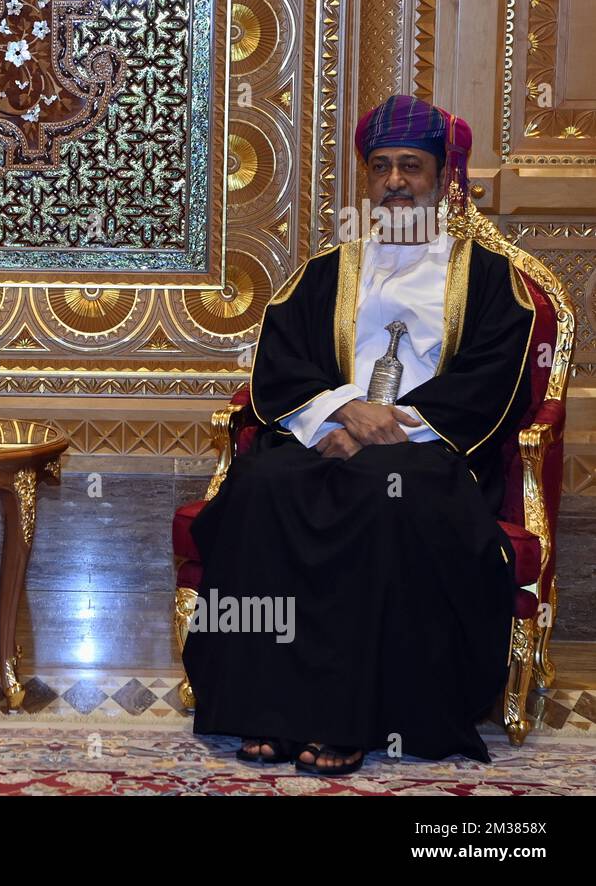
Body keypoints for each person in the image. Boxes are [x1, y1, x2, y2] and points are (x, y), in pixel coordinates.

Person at [182, 94, 535, 773]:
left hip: (426, 451)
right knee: (262, 486)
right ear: (366, 179)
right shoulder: (328, 273)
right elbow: (280, 364)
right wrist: (342, 412)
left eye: (412, 167)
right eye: (381, 167)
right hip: (326, 437)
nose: (395, 181)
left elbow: (493, 381)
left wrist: (391, 429)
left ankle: (355, 719)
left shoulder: (489, 281)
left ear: (443, 179)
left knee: (386, 496)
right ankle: (265, 711)